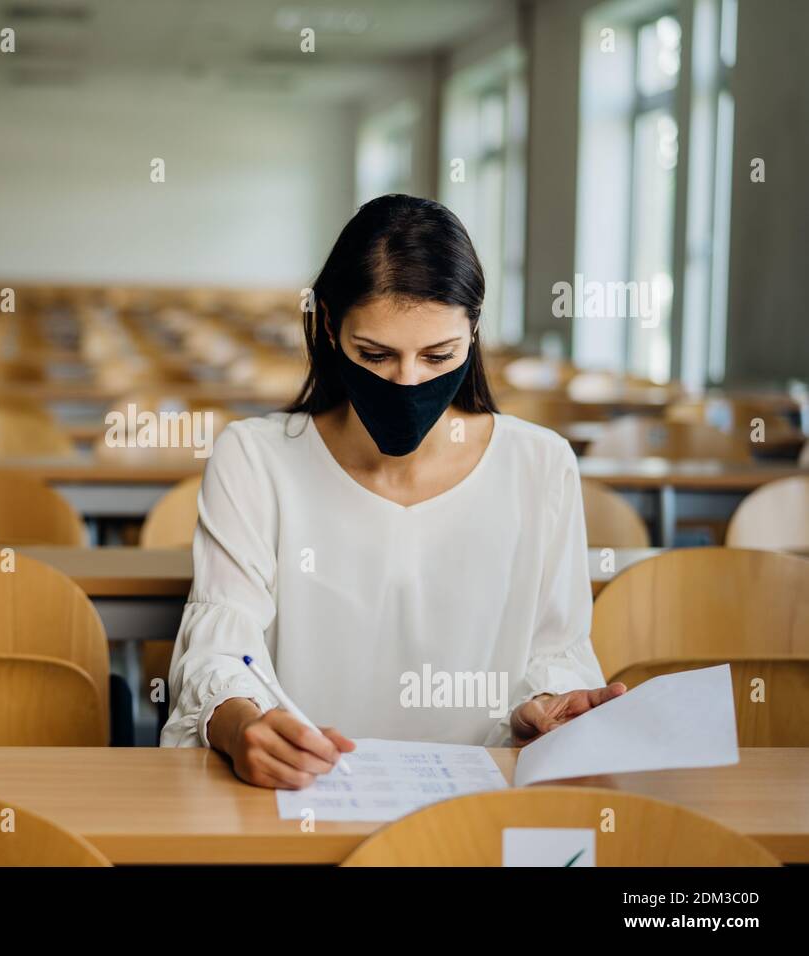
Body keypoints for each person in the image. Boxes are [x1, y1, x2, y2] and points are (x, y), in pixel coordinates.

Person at [160, 194, 625, 789]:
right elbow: (222, 650)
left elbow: (552, 651)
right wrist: (240, 724)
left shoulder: (540, 464)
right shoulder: (255, 459)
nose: (407, 383)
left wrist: (549, 707)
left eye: (439, 356)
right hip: (299, 796)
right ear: (329, 326)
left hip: (482, 801)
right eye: (375, 355)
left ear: (473, 332)